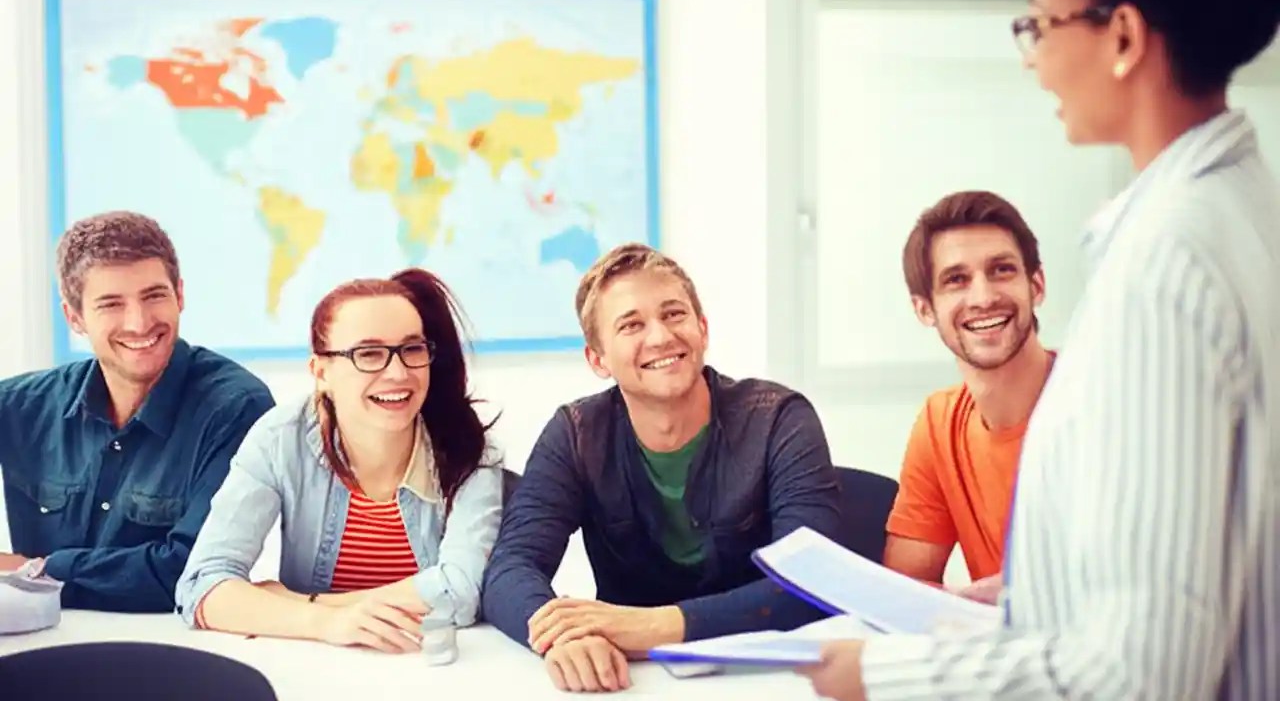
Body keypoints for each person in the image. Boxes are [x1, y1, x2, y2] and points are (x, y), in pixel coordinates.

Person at [799, 0, 1280, 699]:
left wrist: (879, 675)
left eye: (1039, 24)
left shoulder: (1165, 263)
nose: (1033, 61)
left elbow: (1140, 671)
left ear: (1122, 37)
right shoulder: (1235, 210)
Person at [482, 242, 842, 693]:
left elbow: (813, 581)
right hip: (632, 684)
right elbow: (510, 568)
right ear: (598, 359)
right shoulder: (576, 433)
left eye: (674, 315)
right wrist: (561, 638)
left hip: (762, 677)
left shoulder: (778, 418)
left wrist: (645, 628)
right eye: (631, 325)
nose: (660, 336)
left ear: (702, 329)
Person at [174, 269, 503, 654]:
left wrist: (306, 601)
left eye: (412, 349)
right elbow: (203, 585)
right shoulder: (279, 439)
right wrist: (327, 623)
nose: (397, 373)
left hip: (432, 667)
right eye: (368, 354)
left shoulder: (471, 449)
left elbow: (461, 592)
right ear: (320, 371)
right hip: (315, 668)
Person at [0, 210, 274, 611]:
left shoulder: (235, 408)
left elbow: (189, 572)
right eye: (111, 304)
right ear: (74, 317)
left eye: (154, 296)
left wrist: (35, 569)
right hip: (43, 643)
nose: (139, 322)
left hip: (172, 654)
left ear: (179, 294)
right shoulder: (25, 407)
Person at [884, 190, 1054, 604]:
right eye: (956, 279)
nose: (983, 297)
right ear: (925, 310)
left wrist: (971, 600)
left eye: (1001, 270)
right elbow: (902, 591)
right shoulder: (939, 421)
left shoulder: (1100, 402)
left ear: (1036, 285)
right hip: (1001, 655)